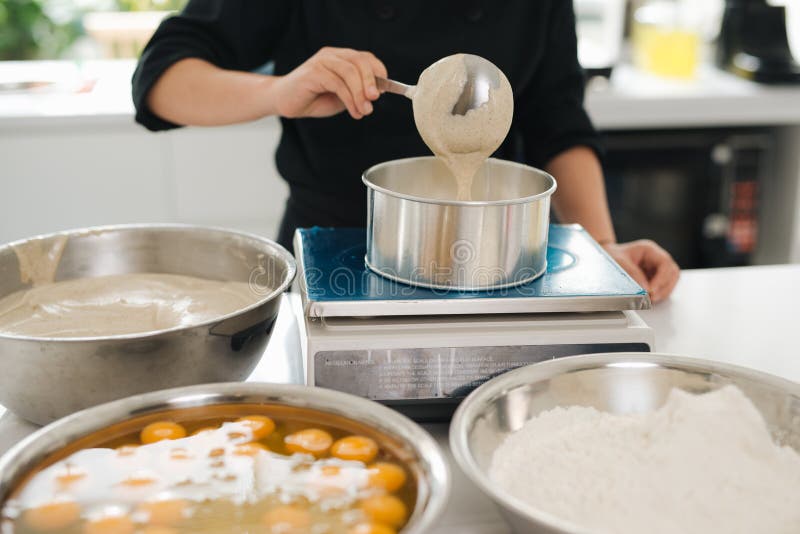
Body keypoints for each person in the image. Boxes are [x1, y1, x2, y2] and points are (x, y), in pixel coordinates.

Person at [132, 0, 680, 302]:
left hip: (495, 267)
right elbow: (160, 78)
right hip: (329, 261)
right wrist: (277, 91)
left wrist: (603, 246)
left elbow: (558, 120)